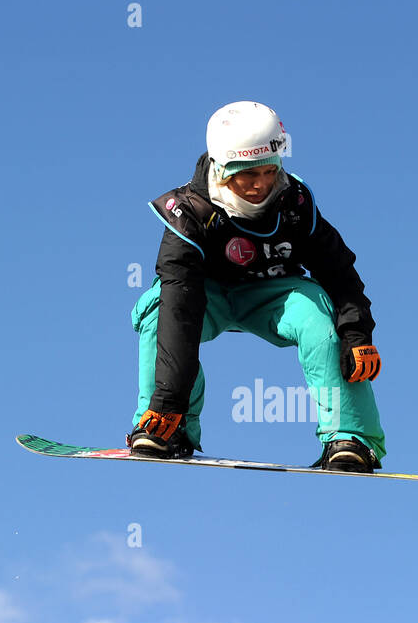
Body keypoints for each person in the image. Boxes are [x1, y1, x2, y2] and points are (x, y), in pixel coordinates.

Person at [126, 101, 386, 473]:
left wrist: (357, 332)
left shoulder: (294, 202)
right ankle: (170, 427)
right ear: (222, 169)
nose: (261, 184)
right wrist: (169, 400)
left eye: (268, 171)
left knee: (318, 313)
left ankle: (351, 438)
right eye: (247, 175)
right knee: (156, 307)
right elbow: (180, 308)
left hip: (273, 294)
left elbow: (338, 270)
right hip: (206, 297)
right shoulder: (189, 213)